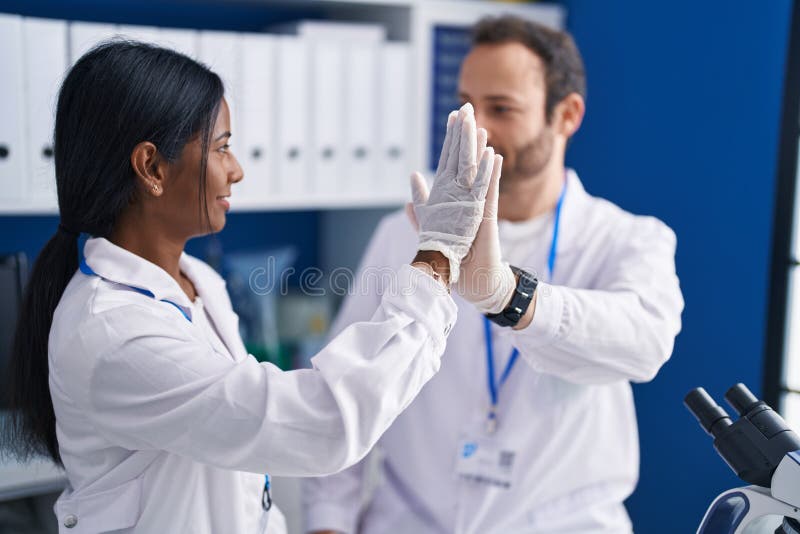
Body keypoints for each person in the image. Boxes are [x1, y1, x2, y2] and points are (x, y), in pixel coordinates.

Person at [3, 41, 507, 533]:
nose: (237, 169)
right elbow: (324, 422)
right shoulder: (114, 334)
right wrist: (438, 257)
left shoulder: (197, 281)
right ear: (152, 168)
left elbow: (243, 469)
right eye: (221, 147)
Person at [304, 15, 684, 534]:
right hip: (408, 520)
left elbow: (645, 342)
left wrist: (509, 295)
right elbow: (347, 381)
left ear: (566, 115)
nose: (475, 128)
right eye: (466, 104)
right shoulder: (406, 231)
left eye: (501, 109)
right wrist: (329, 522)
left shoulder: (628, 239)